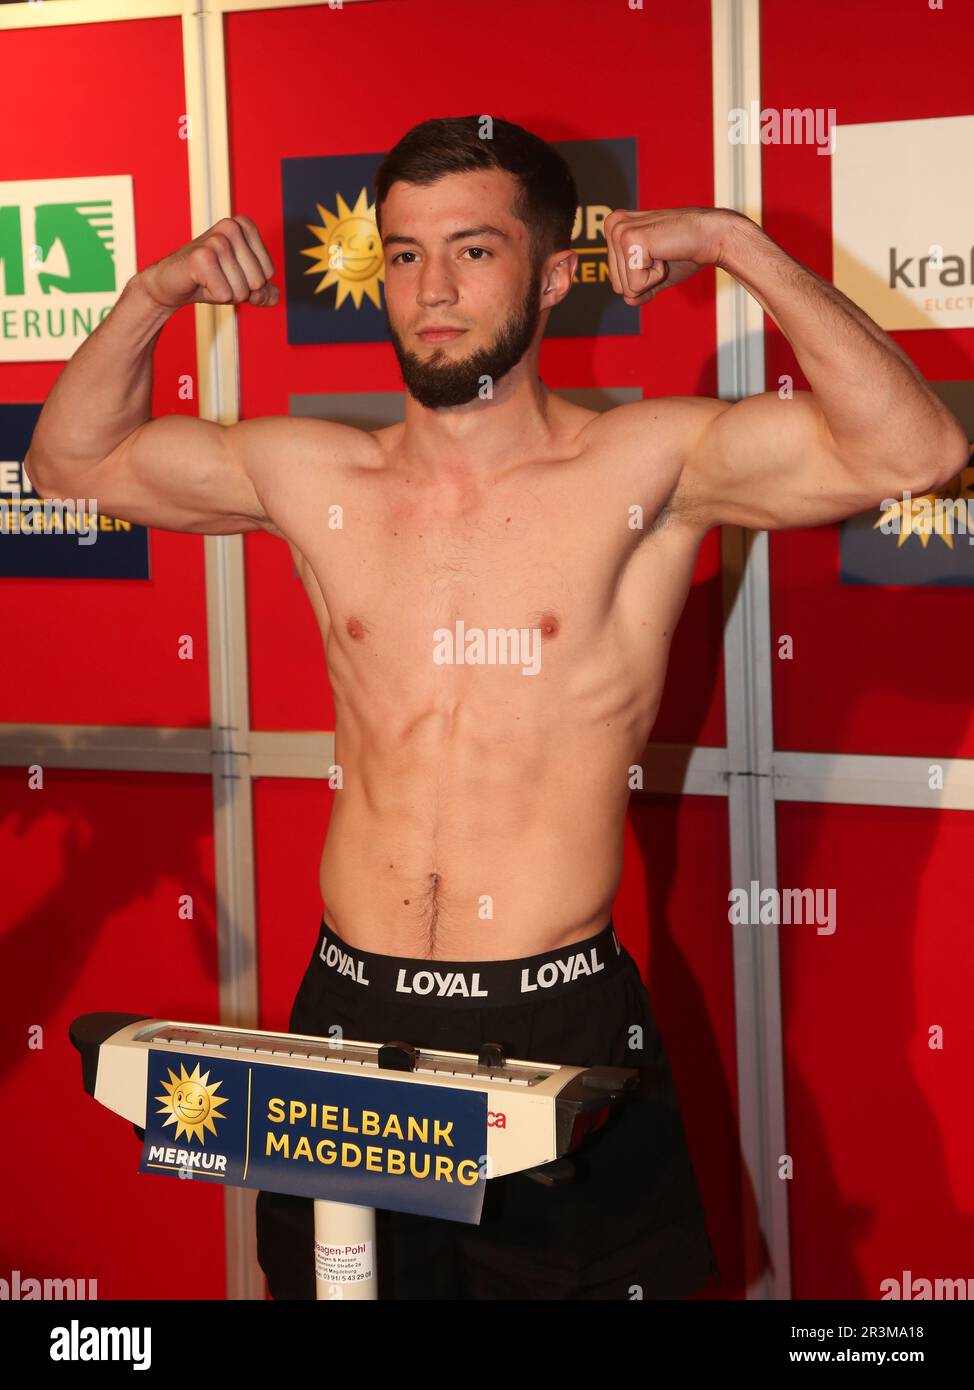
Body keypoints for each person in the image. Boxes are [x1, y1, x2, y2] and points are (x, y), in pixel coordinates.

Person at [26, 115, 967, 1300]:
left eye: (473, 250)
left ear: (553, 273)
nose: (430, 288)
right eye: (405, 253)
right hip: (345, 1016)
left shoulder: (646, 469)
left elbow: (912, 450)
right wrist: (156, 289)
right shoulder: (313, 474)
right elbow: (70, 463)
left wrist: (739, 246)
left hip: (554, 1023)